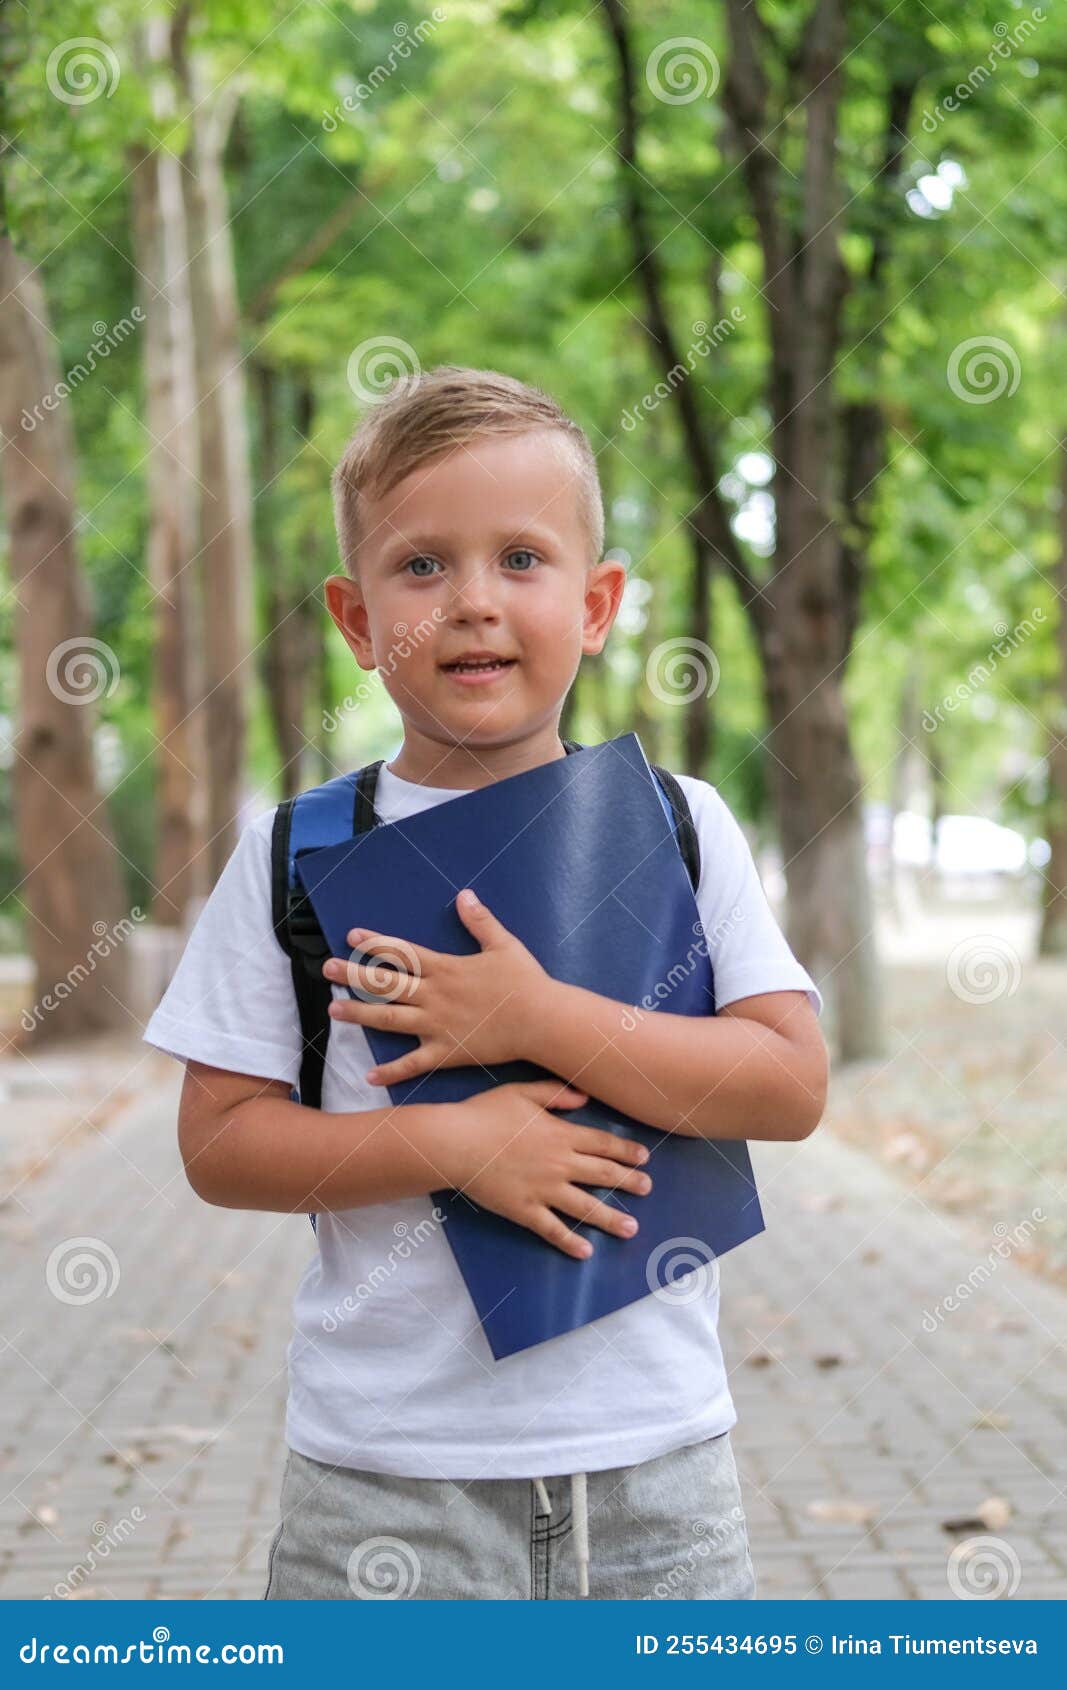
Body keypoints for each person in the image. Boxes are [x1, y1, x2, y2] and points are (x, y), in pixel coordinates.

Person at [143, 364, 828, 1601]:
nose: (472, 603)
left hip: (656, 1471)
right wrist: (454, 1142)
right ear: (355, 622)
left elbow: (784, 1087)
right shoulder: (295, 850)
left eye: (522, 558)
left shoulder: (682, 824)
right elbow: (219, 1144)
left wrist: (530, 1017)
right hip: (382, 1477)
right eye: (421, 567)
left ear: (599, 601)